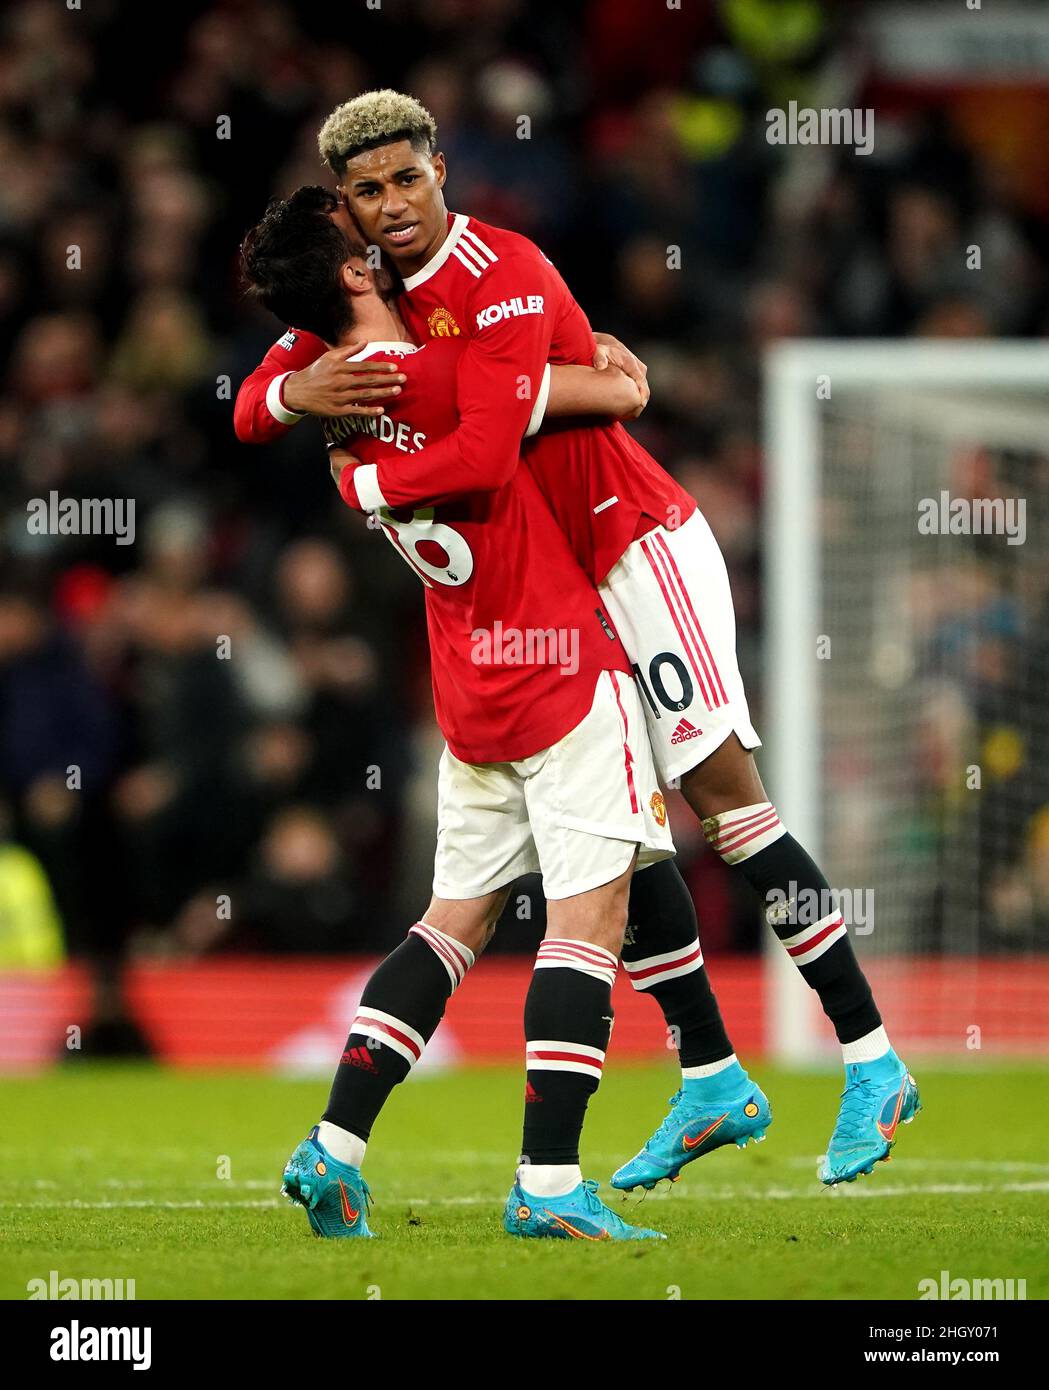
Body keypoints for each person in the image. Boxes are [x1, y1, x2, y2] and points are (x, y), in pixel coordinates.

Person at [236, 90, 919, 1189]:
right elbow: (254, 397)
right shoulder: (376, 295)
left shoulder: (503, 271)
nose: (392, 205)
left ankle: (870, 1056)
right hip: (555, 585)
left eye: (405, 178)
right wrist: (289, 395)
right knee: (622, 830)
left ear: (440, 167)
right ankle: (706, 1076)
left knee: (727, 809)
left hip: (634, 544)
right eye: (367, 192)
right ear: (350, 218)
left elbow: (488, 437)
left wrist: (358, 463)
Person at [241, 186, 682, 1241]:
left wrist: (306, 411)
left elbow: (255, 404)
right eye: (361, 236)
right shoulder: (448, 372)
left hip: (469, 688)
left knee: (450, 926)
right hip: (561, 673)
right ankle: (546, 1188)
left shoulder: (334, 391)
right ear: (351, 274)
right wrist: (620, 374)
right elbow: (613, 393)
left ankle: (333, 1148)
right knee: (585, 928)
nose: (386, 235)